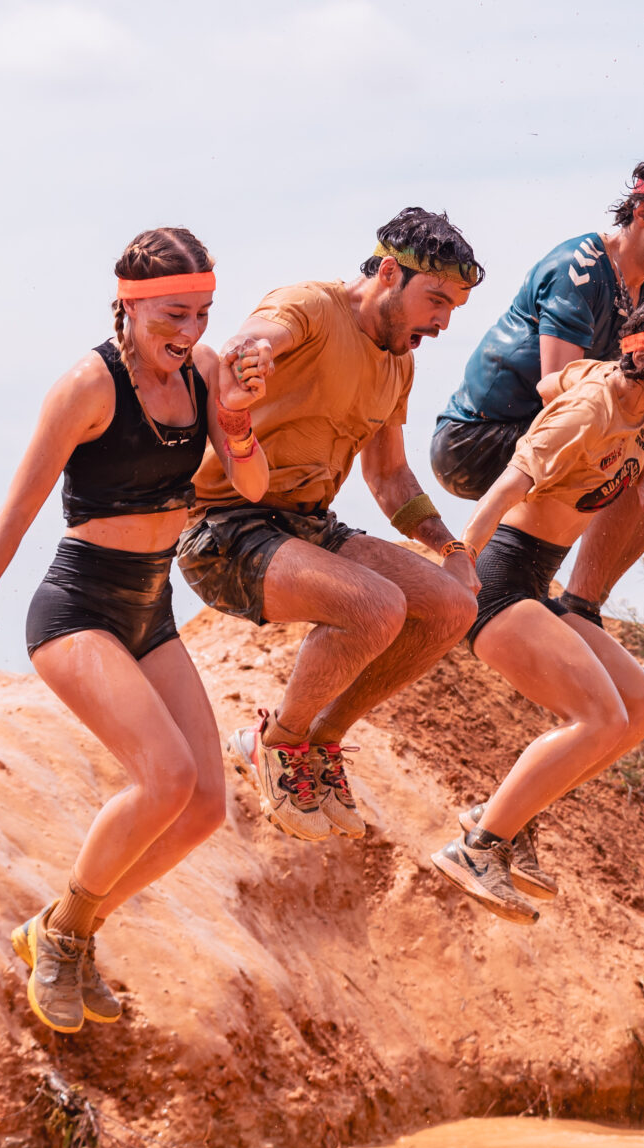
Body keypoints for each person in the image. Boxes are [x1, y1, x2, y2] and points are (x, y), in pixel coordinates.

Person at [0, 228, 272, 1035]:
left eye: (204, 313)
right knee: (165, 777)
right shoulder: (87, 386)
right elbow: (19, 504)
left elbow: (253, 480)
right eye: (175, 315)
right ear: (130, 307)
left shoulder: (205, 375)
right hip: (77, 611)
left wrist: (238, 418)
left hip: (151, 607)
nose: (193, 333)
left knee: (205, 804)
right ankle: (65, 936)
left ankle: (68, 927)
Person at [178, 208, 483, 842]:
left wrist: (450, 547)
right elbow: (259, 335)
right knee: (377, 607)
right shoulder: (311, 307)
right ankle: (276, 745)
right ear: (390, 274)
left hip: (305, 525)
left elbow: (391, 478)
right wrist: (253, 352)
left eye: (453, 308)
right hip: (224, 528)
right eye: (436, 300)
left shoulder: (399, 361)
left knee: (452, 607)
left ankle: (319, 745)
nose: (444, 321)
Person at [430, 295, 644, 921]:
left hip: (535, 582)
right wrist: (459, 562)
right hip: (498, 582)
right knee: (598, 719)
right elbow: (510, 482)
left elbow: (558, 377)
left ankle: (508, 814)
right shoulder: (589, 411)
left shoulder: (625, 393)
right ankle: (476, 849)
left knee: (640, 708)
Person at [432, 159, 644, 628]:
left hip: (549, 436)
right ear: (642, 213)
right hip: (475, 440)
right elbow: (556, 394)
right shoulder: (579, 268)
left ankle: (580, 606)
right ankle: (555, 598)